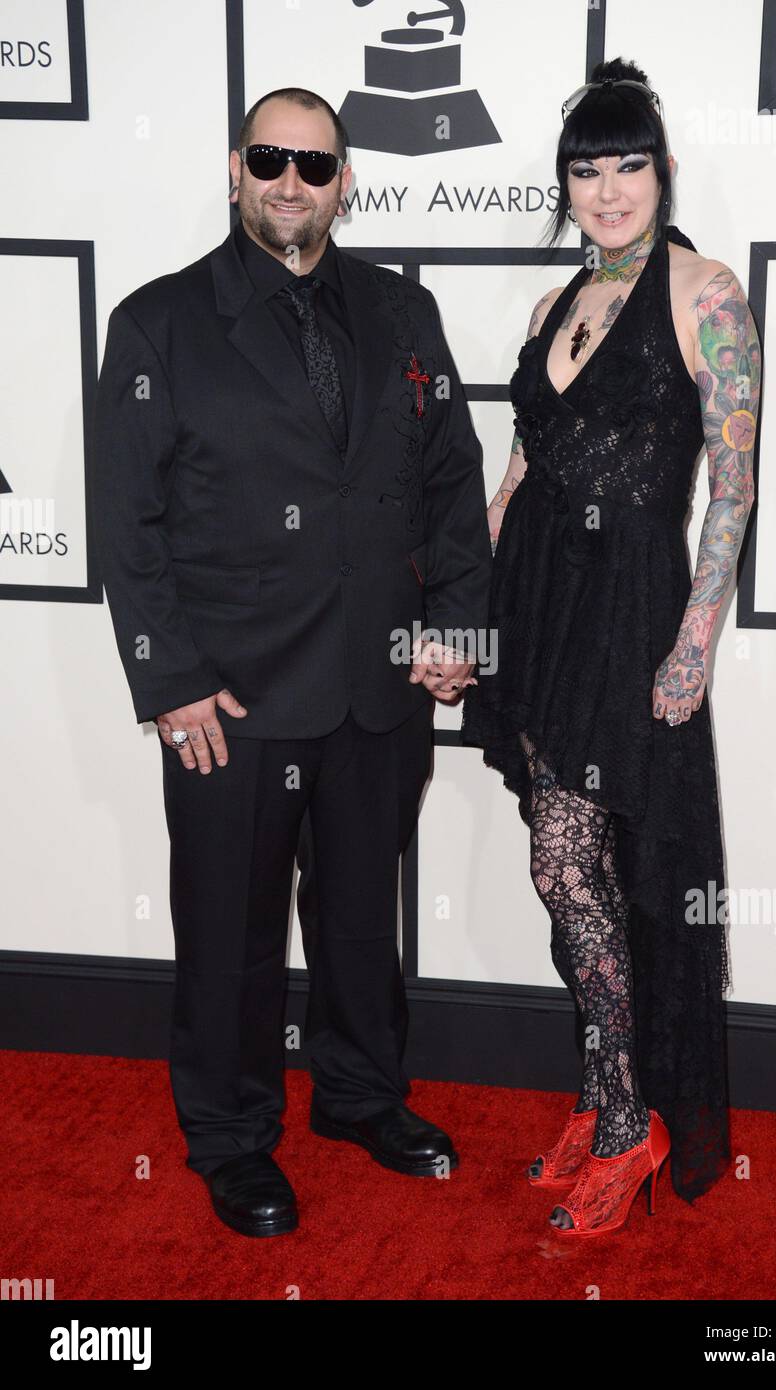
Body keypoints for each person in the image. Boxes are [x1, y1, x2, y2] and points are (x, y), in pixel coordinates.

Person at [91, 87, 491, 1237]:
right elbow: (127, 522)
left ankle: (361, 1096)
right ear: (234, 169)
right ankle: (229, 1135)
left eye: (314, 165)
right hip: (233, 696)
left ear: (345, 181)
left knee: (364, 919)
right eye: (270, 158)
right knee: (230, 931)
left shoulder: (402, 313)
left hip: (378, 683)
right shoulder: (160, 322)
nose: (290, 182)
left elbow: (453, 480)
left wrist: (458, 623)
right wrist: (165, 680)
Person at [460, 56, 759, 1237]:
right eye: (585, 170)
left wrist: (692, 644)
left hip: (631, 610)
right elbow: (519, 475)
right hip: (538, 605)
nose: (606, 188)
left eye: (626, 164)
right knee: (561, 857)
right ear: (566, 187)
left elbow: (730, 488)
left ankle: (632, 1127)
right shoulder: (551, 309)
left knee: (576, 866)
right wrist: (466, 610)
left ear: (662, 170)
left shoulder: (706, 294)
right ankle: (603, 1096)